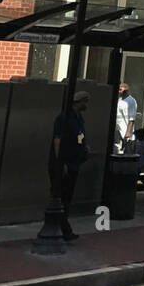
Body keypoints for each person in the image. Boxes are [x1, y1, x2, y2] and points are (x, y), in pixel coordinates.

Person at [48, 90, 90, 242]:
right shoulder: (65, 118)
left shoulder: (79, 118)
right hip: (66, 163)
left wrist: (84, 146)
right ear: (78, 102)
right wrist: (61, 162)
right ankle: (63, 228)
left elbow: (79, 135)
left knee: (67, 197)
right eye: (84, 101)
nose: (86, 104)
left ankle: (62, 226)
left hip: (74, 162)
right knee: (61, 196)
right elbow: (57, 140)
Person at [115, 81, 137, 151]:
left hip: (125, 132)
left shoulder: (131, 101)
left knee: (126, 151)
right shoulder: (119, 100)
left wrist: (128, 133)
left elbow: (132, 118)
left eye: (120, 90)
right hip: (118, 130)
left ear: (126, 90)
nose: (119, 92)